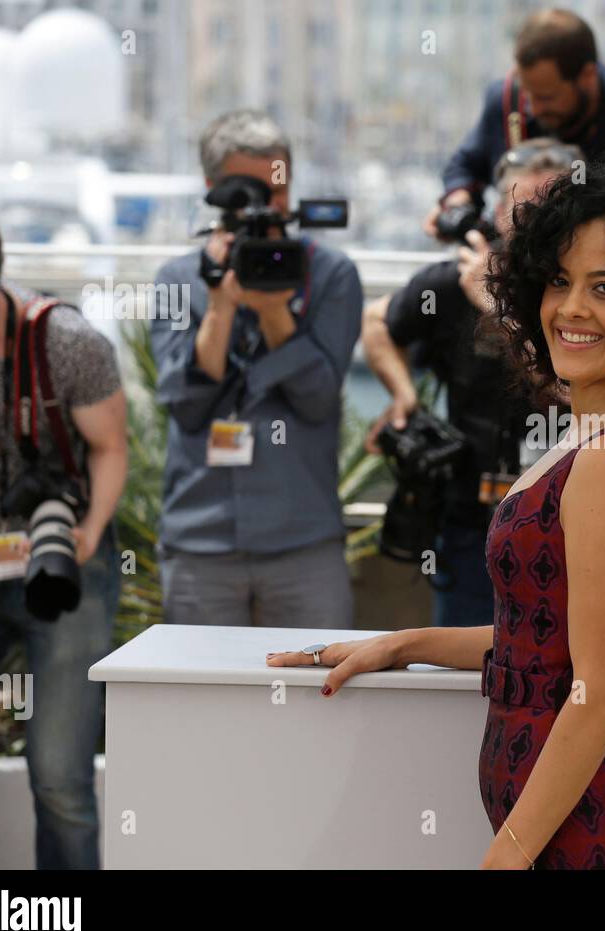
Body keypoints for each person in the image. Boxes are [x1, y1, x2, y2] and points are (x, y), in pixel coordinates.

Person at [269, 161, 605, 869]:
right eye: (559, 280)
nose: (571, 308)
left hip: (591, 841)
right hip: (566, 831)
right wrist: (404, 644)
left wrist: (505, 859)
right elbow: (542, 645)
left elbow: (600, 693)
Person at [0, 195, 127, 868]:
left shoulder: (68, 342)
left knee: (59, 776)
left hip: (69, 565)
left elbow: (109, 446)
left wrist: (93, 527)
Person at [151, 110, 362, 629]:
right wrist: (221, 306)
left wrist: (273, 311)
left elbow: (317, 399)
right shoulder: (179, 279)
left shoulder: (331, 275)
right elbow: (185, 403)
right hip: (201, 540)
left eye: (279, 187)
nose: (269, 205)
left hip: (302, 539)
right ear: (212, 188)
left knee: (316, 703)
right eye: (250, 190)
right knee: (202, 705)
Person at [364, 138, 580, 627]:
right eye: (523, 208)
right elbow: (376, 324)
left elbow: (572, 389)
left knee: (563, 665)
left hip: (566, 519)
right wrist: (404, 395)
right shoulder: (449, 283)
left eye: (554, 209)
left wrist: (496, 306)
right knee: (458, 676)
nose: (535, 225)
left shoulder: (591, 295)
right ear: (500, 210)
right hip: (470, 519)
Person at [424, 8, 605, 238]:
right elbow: (464, 168)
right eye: (527, 93)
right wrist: (458, 205)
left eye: (546, 97)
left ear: (587, 76)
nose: (534, 108)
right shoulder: (508, 100)